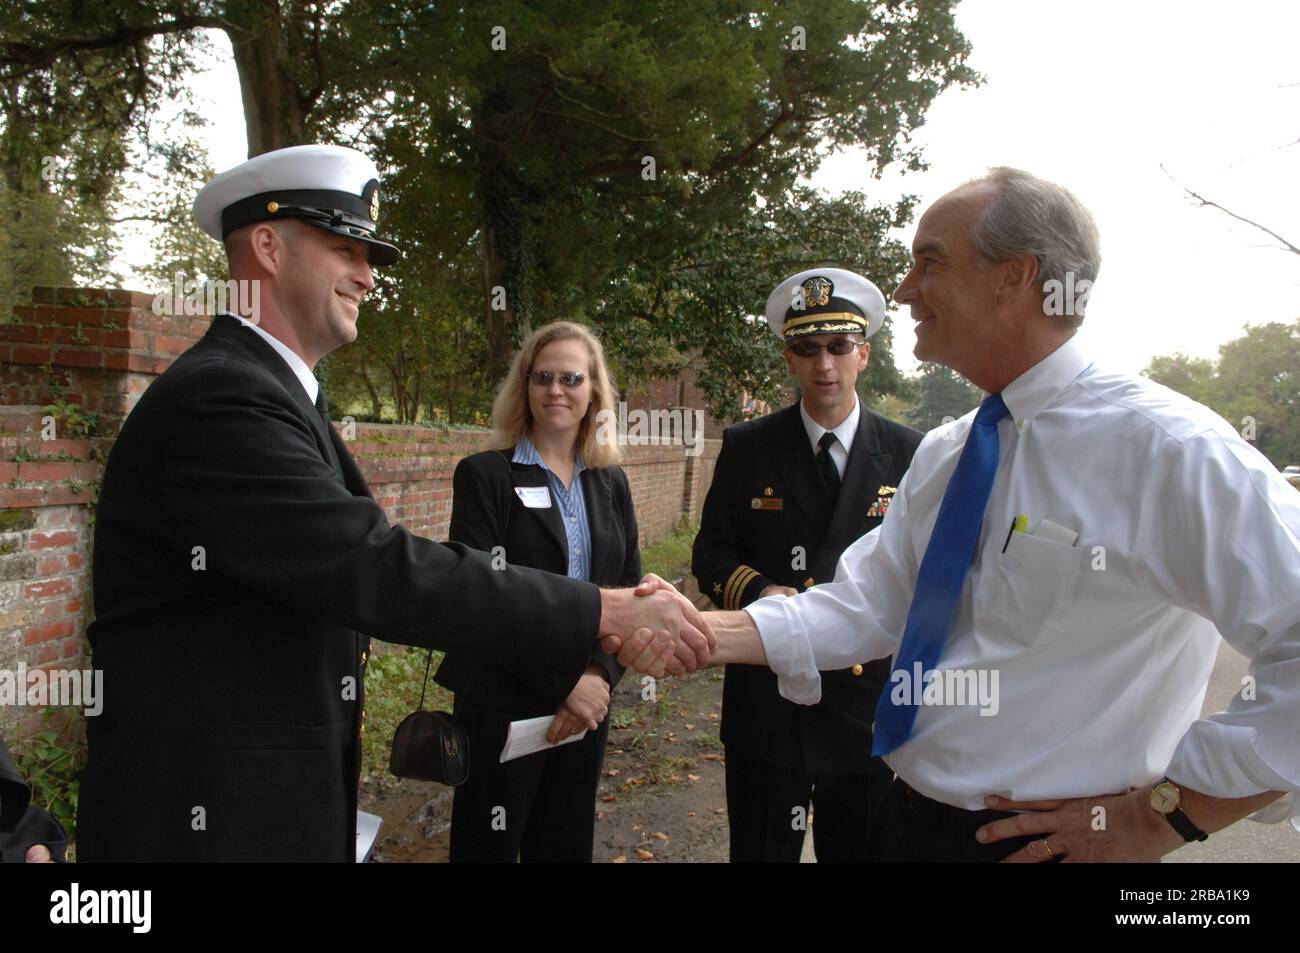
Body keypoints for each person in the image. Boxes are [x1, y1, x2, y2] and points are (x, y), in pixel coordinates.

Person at [79, 144, 711, 862]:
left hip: (265, 808)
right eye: (346, 248)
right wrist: (605, 609)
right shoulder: (221, 398)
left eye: (369, 254)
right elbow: (375, 567)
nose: (368, 277)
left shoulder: (278, 394)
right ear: (266, 247)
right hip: (203, 819)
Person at [654, 167, 1300, 862]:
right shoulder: (947, 451)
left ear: (1015, 277)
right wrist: (701, 630)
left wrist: (1164, 815)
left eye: (928, 261)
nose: (903, 291)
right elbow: (870, 606)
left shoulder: (1168, 450)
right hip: (903, 824)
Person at [692, 269, 921, 862]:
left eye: (839, 347)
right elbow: (711, 553)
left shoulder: (910, 454)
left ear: (863, 354)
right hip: (768, 705)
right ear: (789, 359)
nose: (825, 364)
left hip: (864, 708)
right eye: (807, 348)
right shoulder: (748, 446)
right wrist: (762, 592)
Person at [435, 321, 638, 862]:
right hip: (504, 704)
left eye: (571, 378)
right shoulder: (486, 477)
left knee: (565, 845)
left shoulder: (610, 482)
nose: (556, 390)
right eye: (542, 377)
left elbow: (631, 590)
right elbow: (478, 598)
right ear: (523, 387)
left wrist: (597, 675)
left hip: (587, 709)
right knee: (489, 846)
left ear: (593, 390)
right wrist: (563, 682)